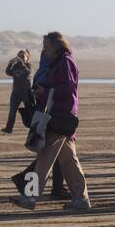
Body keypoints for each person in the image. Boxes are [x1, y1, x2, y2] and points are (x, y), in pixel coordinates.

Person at [14, 32, 91, 211]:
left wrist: (46, 91)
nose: (44, 49)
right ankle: (81, 199)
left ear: (56, 45)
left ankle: (29, 197)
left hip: (59, 117)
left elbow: (69, 89)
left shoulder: (65, 62)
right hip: (55, 116)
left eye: (46, 45)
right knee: (69, 161)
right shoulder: (54, 63)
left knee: (44, 158)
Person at [3, 50, 31, 134]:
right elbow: (8, 72)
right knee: (12, 111)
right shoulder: (15, 67)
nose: (21, 58)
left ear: (27, 58)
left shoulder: (28, 65)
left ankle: (33, 128)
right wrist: (10, 64)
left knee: (30, 111)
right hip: (16, 93)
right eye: (19, 56)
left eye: (23, 56)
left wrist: (22, 63)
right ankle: (8, 129)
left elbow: (27, 72)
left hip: (26, 93)